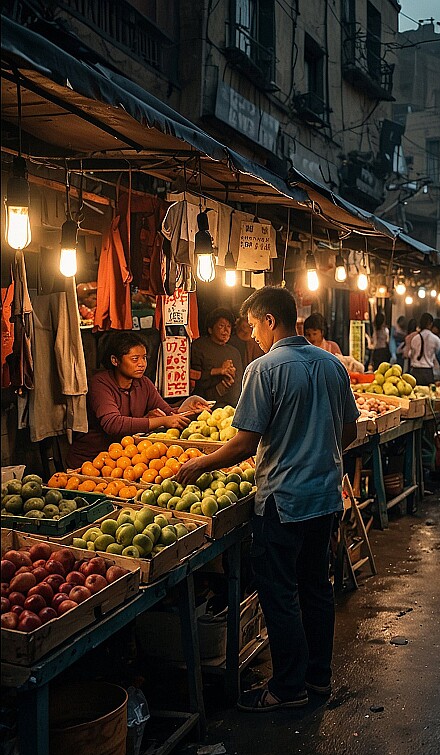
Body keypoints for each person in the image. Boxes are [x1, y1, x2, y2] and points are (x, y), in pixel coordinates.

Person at [176, 287, 359, 710]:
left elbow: (244, 444)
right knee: (316, 588)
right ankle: (318, 679)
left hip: (283, 501)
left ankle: (287, 687)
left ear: (270, 320)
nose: (253, 333)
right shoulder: (332, 365)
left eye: (254, 324)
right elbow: (348, 432)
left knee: (280, 592)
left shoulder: (264, 368)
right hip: (326, 498)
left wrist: (199, 465)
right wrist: (316, 449)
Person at [68, 332, 209, 468]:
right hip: (91, 461)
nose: (142, 364)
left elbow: (168, 413)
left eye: (144, 358)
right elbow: (113, 424)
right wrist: (161, 421)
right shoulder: (100, 384)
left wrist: (189, 408)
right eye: (135, 359)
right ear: (115, 360)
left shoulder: (143, 383)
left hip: (125, 459)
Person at [191, 308, 244, 406]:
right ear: (210, 329)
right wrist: (218, 371)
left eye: (229, 326)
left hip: (229, 405)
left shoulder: (234, 352)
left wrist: (229, 381)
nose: (226, 330)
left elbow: (238, 382)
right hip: (202, 405)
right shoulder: (199, 346)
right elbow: (193, 378)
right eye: (221, 326)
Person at [406, 313, 440, 385]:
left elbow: (410, 354)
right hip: (428, 371)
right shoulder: (435, 339)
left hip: (415, 371)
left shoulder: (415, 338)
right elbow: (437, 351)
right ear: (431, 324)